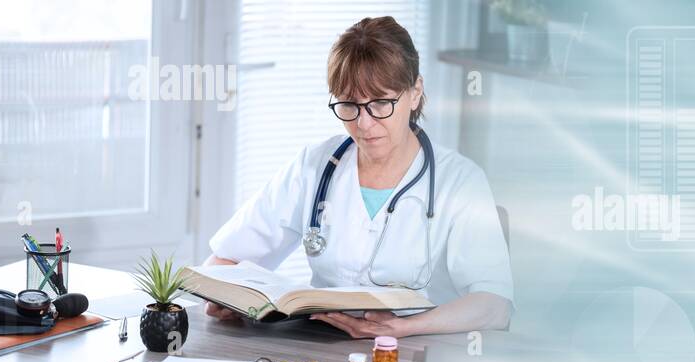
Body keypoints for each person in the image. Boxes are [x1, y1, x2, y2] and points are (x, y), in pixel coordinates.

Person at [205, 16, 512, 338]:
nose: (363, 124)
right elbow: (225, 258)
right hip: (321, 346)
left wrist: (401, 328)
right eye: (349, 105)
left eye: (380, 103)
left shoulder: (460, 181)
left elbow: (494, 303)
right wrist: (224, 294)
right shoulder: (314, 165)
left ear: (415, 92)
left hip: (419, 351)